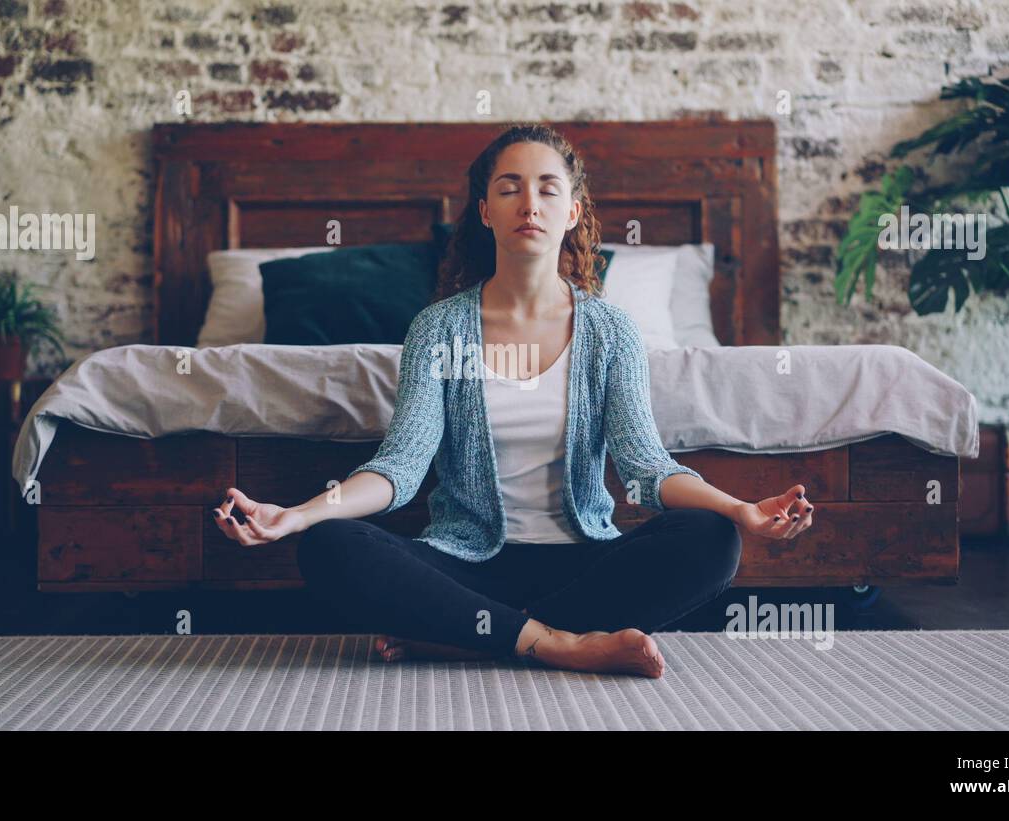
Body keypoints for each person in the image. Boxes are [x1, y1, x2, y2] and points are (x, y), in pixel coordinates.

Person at [213, 123, 814, 678]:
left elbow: (647, 470)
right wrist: (298, 515)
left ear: (573, 212)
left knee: (711, 539)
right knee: (329, 546)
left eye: (549, 189)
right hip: (463, 565)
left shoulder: (611, 332)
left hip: (581, 563)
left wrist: (739, 509)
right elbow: (398, 468)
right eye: (510, 188)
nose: (530, 203)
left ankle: (465, 637)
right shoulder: (438, 329)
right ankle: (562, 643)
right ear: (485, 212)